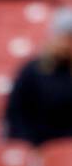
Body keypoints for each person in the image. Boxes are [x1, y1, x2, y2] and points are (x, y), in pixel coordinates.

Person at [6, 8, 72, 148]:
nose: (66, 44)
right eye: (63, 37)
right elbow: (16, 116)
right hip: (37, 146)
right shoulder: (32, 71)